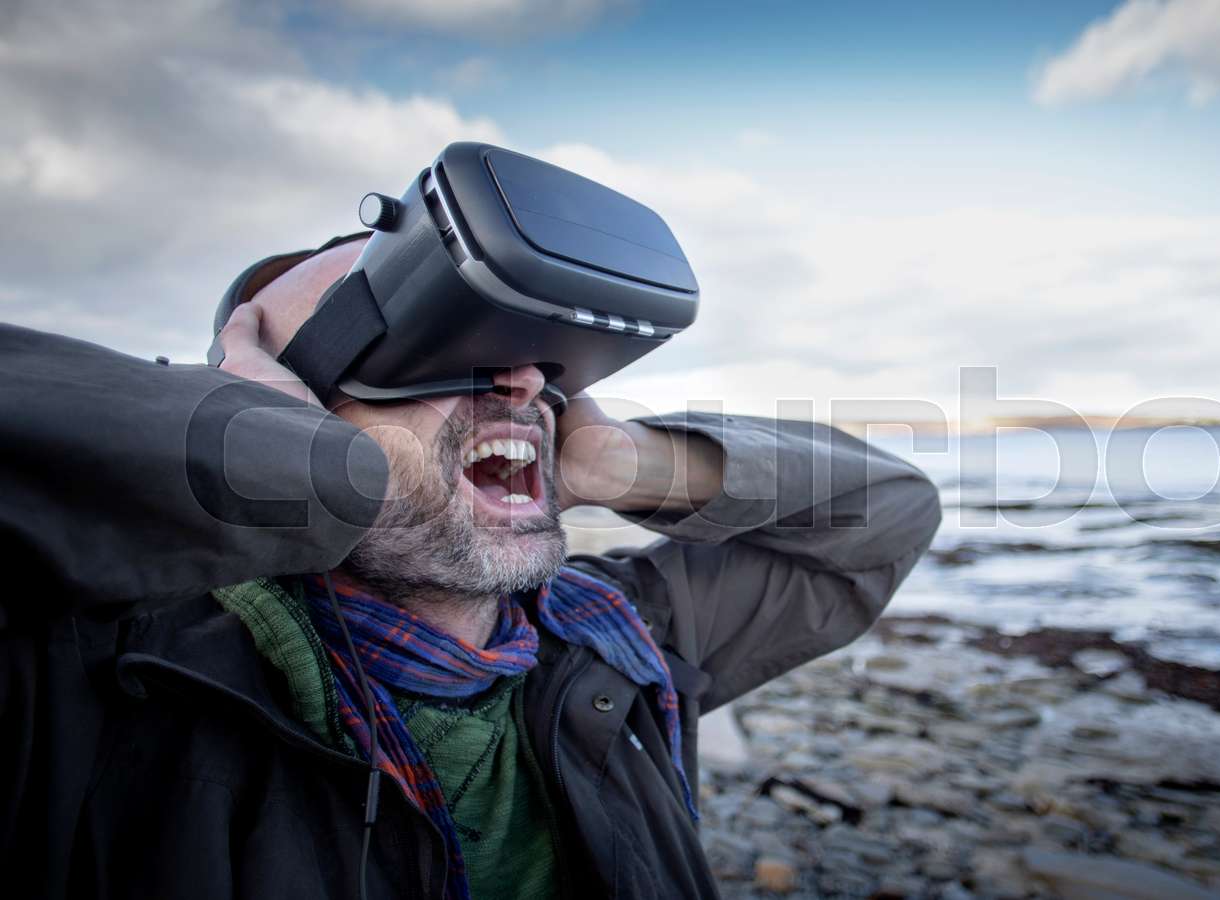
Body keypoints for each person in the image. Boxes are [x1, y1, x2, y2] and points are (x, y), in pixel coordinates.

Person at [0, 234, 941, 899]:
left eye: (532, 355)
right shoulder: (105, 679)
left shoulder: (622, 637)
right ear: (276, 412)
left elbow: (891, 514)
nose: (520, 382)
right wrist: (280, 463)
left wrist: (629, 464)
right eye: (416, 346)